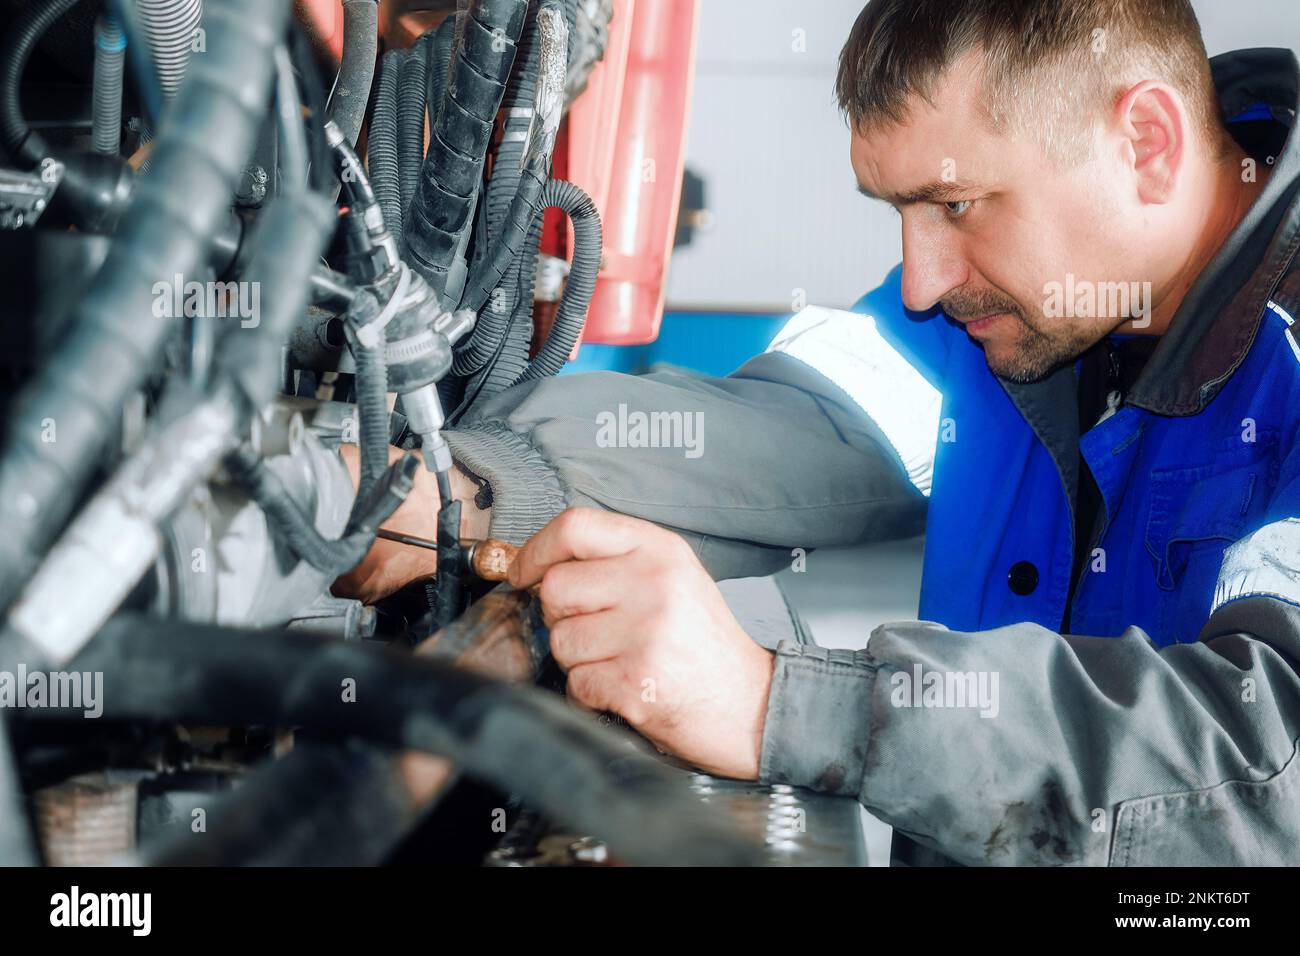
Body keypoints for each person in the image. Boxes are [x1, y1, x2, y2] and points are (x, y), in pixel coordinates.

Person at [341, 0, 1300, 865]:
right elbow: (797, 432)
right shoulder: (992, 320)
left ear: (1147, 141)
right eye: (900, 211)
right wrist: (466, 489)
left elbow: (1264, 768)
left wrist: (781, 704)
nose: (918, 281)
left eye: (956, 205)